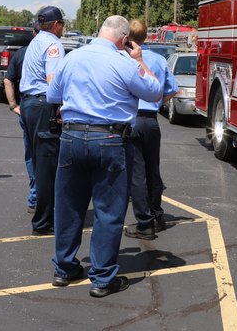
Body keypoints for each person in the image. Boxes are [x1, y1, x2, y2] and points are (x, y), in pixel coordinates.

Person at [47, 15, 162, 298]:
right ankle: (102, 278)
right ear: (125, 40)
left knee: (68, 206)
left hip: (72, 137)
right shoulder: (124, 62)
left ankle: (64, 269)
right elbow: (155, 91)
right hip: (110, 139)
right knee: (109, 210)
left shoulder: (72, 57)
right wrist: (140, 59)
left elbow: (52, 95)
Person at [123, 19, 177, 240]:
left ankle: (144, 223)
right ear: (146, 37)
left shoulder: (123, 58)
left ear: (127, 37)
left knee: (136, 173)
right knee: (153, 170)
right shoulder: (158, 59)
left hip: (132, 118)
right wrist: (159, 101)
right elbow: (173, 89)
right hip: (151, 120)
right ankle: (157, 215)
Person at [19, 6, 65, 235]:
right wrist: (61, 108)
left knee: (38, 163)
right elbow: (53, 82)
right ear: (56, 24)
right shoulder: (53, 44)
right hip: (42, 104)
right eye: (63, 23)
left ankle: (42, 212)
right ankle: (44, 221)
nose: (63, 27)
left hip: (28, 103)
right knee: (48, 165)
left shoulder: (35, 42)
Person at [4, 21, 38, 213]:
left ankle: (34, 196)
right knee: (48, 156)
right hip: (45, 110)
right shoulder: (53, 52)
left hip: (27, 108)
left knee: (32, 154)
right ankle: (43, 197)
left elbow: (8, 79)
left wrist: (14, 105)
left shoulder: (21, 53)